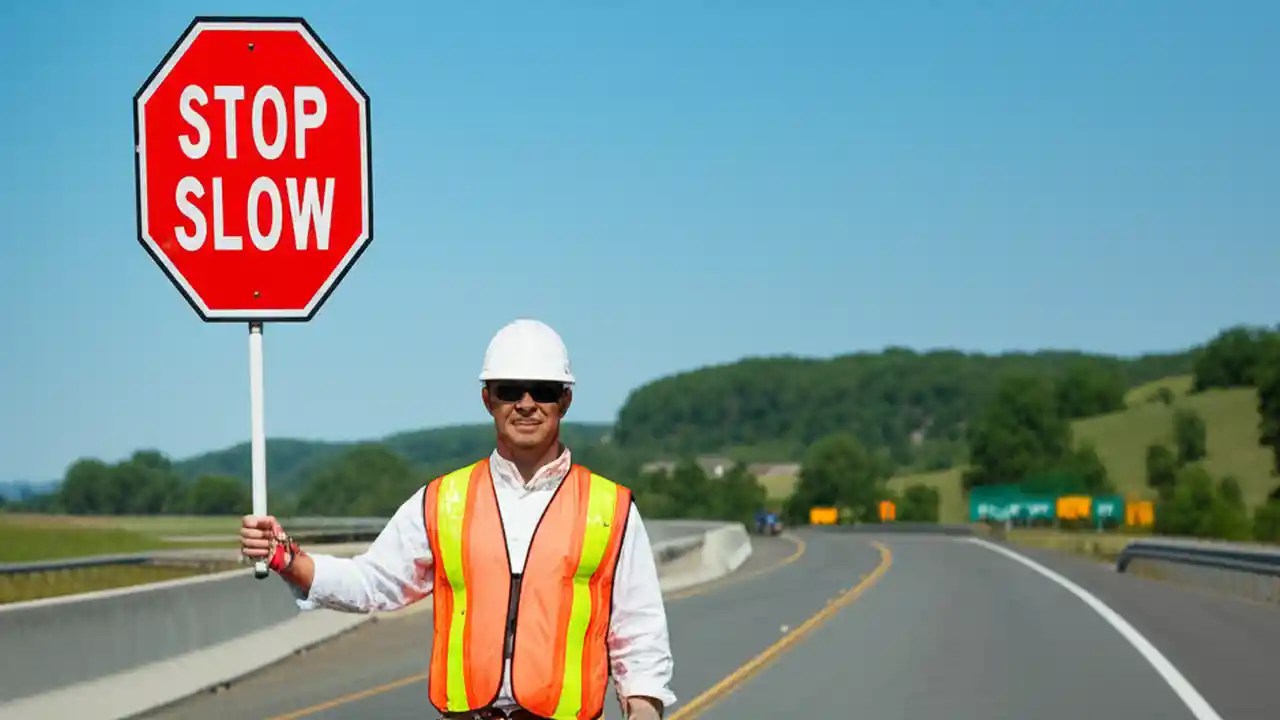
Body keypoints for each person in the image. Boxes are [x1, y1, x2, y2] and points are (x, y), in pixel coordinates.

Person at [240, 319, 675, 720]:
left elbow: (639, 629)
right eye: (510, 389)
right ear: (488, 399)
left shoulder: (610, 507)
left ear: (565, 399)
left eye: (543, 390)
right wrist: (289, 561)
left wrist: (644, 707)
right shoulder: (443, 500)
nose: (526, 404)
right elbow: (374, 582)